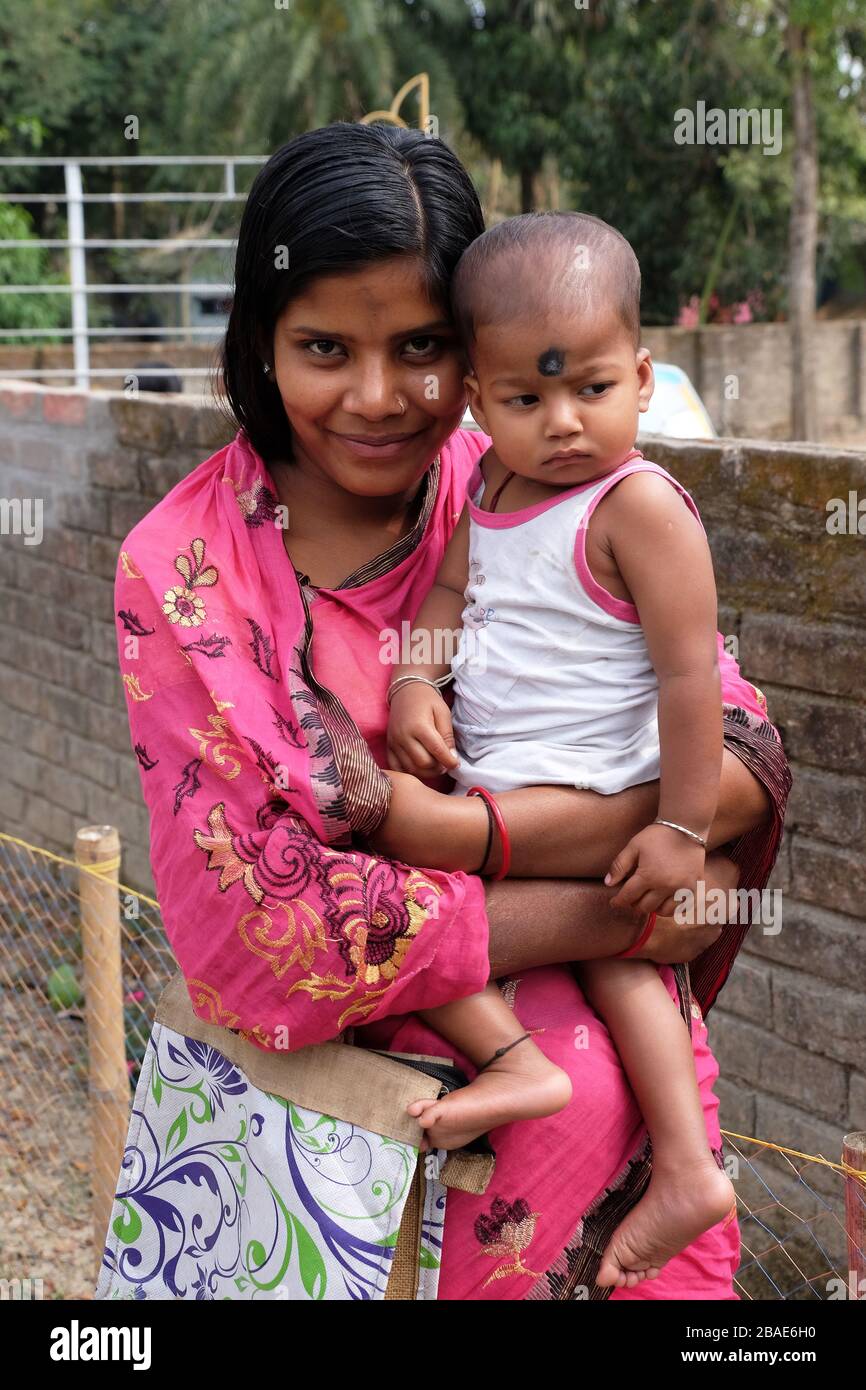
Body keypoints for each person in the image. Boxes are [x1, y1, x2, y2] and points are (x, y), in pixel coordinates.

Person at [114, 122, 791, 1300]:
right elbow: (262, 929)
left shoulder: (534, 484)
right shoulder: (183, 572)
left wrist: (483, 839)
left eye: (421, 347)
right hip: (342, 1185)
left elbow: (735, 754)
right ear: (257, 342)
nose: (379, 398)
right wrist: (615, 912)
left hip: (629, 1175)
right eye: (324, 345)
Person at [379, 209, 737, 1289]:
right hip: (499, 780)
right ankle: (519, 1065)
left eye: (589, 387)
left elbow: (690, 679)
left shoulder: (638, 509)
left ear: (638, 373)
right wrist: (409, 677)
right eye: (528, 399)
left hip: (596, 793)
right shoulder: (487, 488)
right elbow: (448, 592)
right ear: (480, 404)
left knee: (623, 960)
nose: (565, 421)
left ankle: (682, 1167)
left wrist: (679, 828)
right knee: (408, 919)